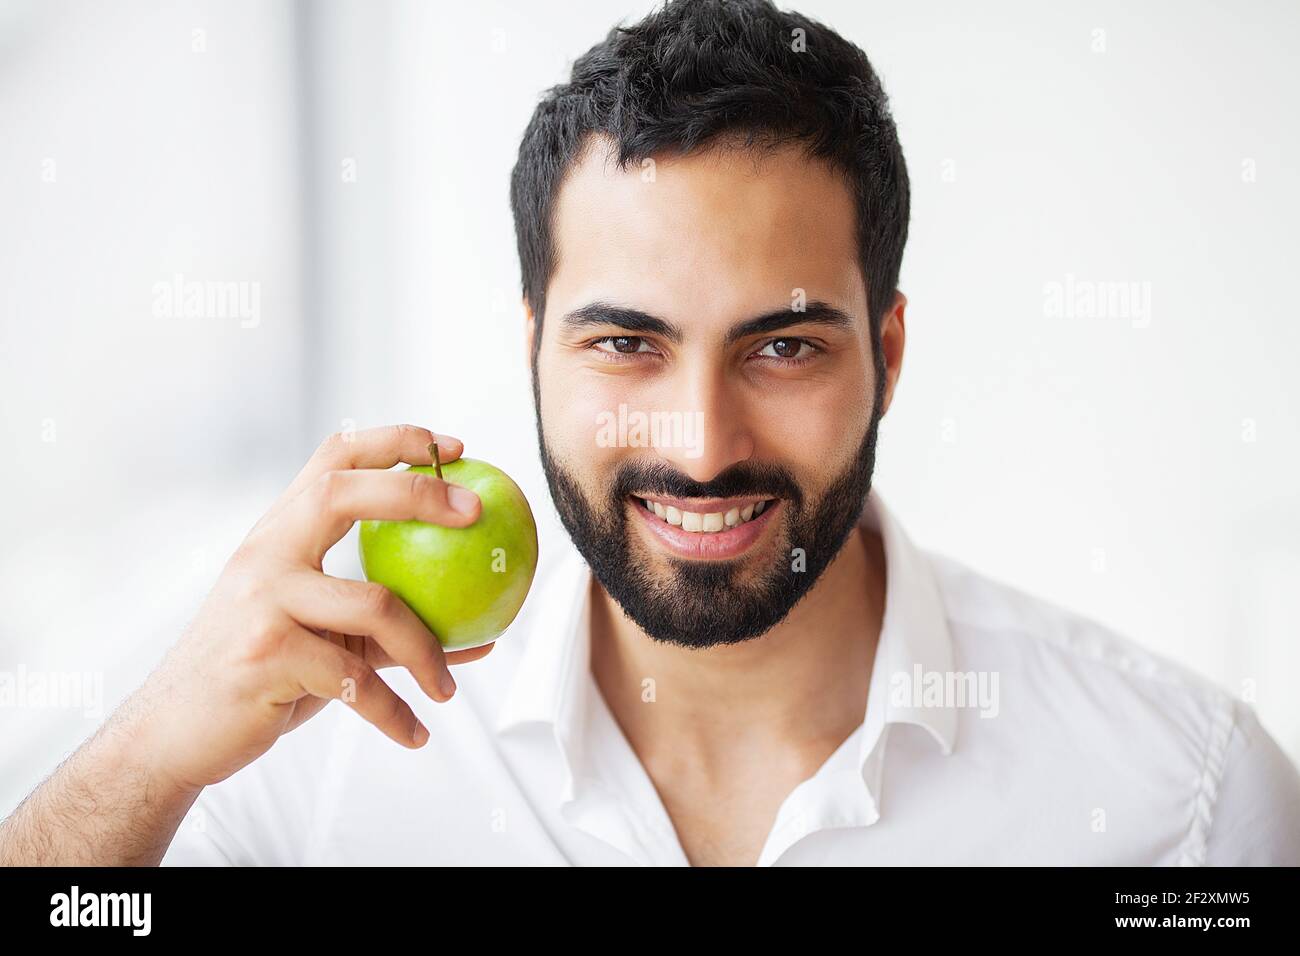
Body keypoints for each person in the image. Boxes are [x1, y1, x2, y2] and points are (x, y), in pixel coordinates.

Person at [2, 0, 1297, 867]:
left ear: (888, 352)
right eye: (627, 342)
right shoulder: (314, 764)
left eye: (782, 346)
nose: (700, 438)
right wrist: (145, 758)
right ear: (532, 350)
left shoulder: (1183, 802)